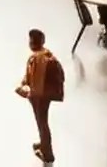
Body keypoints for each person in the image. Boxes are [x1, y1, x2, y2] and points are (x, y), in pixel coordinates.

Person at [16, 28, 63, 164]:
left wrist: (25, 93)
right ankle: (43, 143)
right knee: (43, 122)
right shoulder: (46, 54)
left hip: (39, 97)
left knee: (42, 123)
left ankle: (47, 153)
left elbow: (36, 83)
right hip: (46, 94)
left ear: (31, 42)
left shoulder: (35, 59)